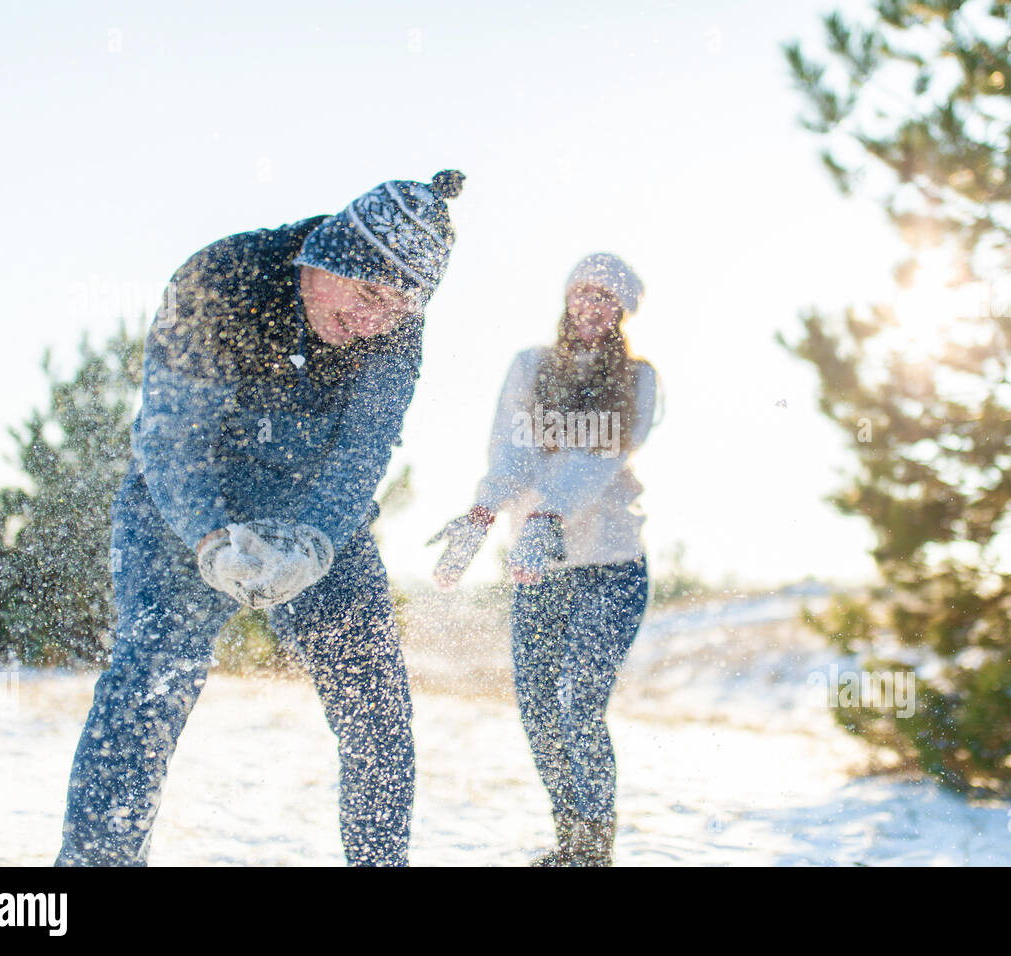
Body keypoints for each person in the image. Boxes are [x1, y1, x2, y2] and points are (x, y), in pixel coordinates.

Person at [56, 170, 465, 866]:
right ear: (330, 255)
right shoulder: (224, 276)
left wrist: (314, 541)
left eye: (394, 310)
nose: (371, 324)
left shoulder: (393, 335)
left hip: (311, 514)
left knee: (377, 708)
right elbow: (170, 435)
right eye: (367, 294)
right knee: (150, 682)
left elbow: (363, 452)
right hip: (183, 508)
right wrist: (212, 538)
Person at [428, 252, 657, 866]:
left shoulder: (638, 379)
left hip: (609, 568)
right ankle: (570, 837)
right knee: (537, 703)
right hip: (537, 570)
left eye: (607, 298)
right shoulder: (530, 366)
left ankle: (592, 852)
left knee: (578, 702)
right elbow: (510, 454)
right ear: (566, 297)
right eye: (584, 292)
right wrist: (482, 513)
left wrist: (546, 514)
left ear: (622, 311)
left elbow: (598, 459)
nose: (592, 306)